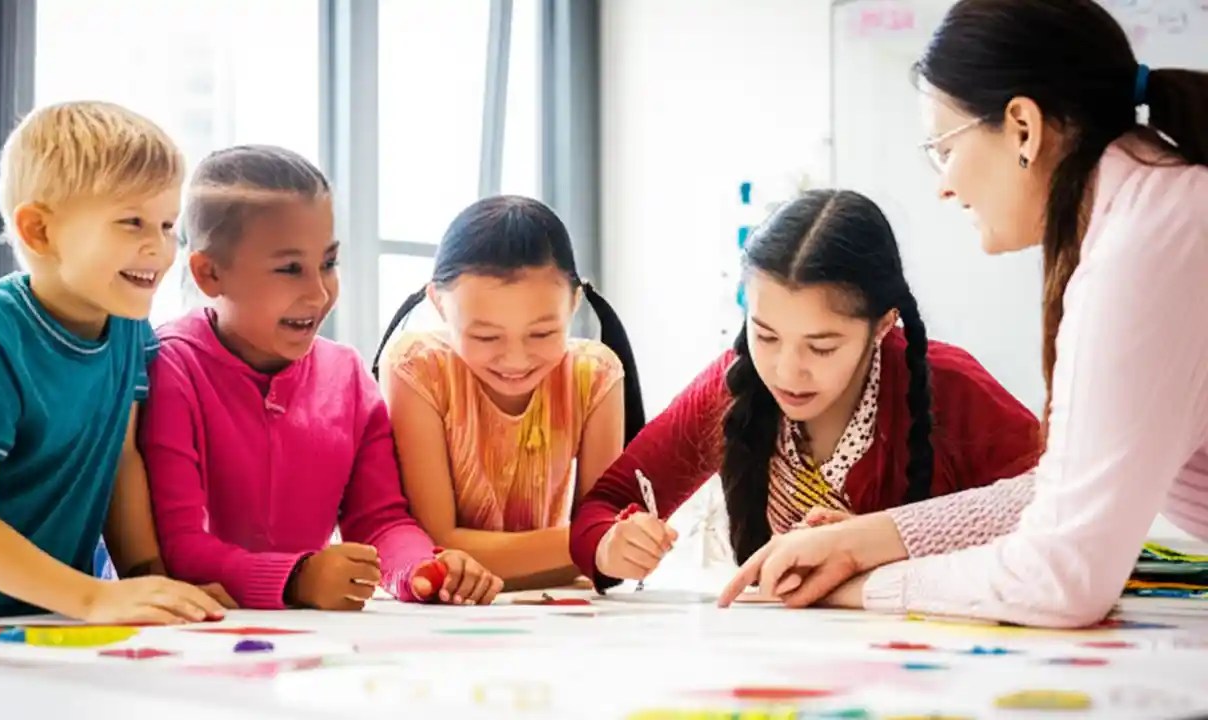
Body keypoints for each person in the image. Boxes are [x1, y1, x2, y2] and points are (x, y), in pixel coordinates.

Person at [720, 0, 1208, 628]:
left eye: (942, 148)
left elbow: (1060, 578)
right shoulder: (1158, 211)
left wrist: (863, 584)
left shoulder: (1141, 250)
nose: (943, 185)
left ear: (1023, 128)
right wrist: (864, 540)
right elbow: (1072, 488)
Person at [571, 189, 1040, 589]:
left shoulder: (950, 387)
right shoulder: (734, 382)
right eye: (766, 335)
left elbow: (1068, 517)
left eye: (822, 347)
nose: (787, 371)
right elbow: (602, 506)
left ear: (883, 326)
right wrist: (611, 545)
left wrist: (881, 542)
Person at [141, 145, 503, 609]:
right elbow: (179, 547)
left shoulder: (348, 376)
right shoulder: (170, 366)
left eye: (328, 263)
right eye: (289, 269)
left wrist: (423, 569)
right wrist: (296, 579)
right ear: (210, 274)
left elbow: (381, 521)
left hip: (303, 646)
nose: (318, 291)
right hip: (185, 639)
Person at [0, 102, 225, 623]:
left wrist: (147, 582)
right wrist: (93, 597)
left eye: (166, 224)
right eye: (132, 222)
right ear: (40, 232)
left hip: (46, 616)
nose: (159, 248)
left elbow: (122, 461)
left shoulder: (130, 329)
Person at [373, 196, 643, 589]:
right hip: (436, 605)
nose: (515, 360)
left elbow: (603, 549)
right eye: (485, 335)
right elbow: (434, 545)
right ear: (440, 304)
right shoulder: (418, 368)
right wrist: (590, 545)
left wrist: (600, 547)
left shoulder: (596, 375)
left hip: (550, 607)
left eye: (542, 333)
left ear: (574, 302)